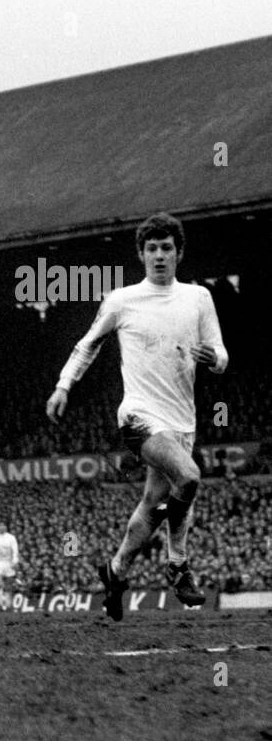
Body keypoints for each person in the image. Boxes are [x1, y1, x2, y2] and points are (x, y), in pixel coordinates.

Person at [47, 212, 227, 620]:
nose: (159, 255)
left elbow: (221, 355)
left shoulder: (198, 298)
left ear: (179, 253)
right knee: (191, 477)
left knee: (152, 503)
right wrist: (63, 385)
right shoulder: (122, 300)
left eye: (167, 248)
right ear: (141, 254)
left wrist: (213, 358)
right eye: (152, 249)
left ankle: (115, 570)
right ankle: (178, 564)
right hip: (139, 416)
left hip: (182, 419)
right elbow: (87, 344)